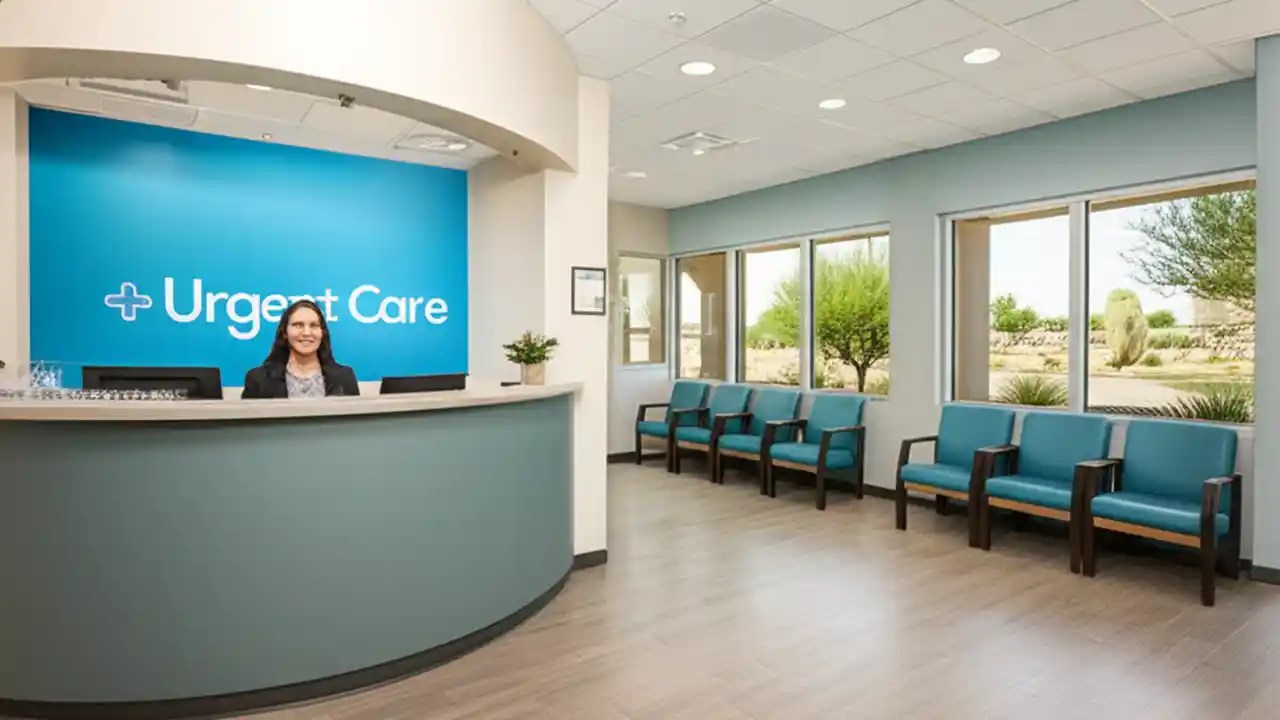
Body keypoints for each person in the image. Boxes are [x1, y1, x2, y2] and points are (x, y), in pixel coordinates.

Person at [241, 299, 359, 399]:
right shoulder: (258, 379)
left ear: (322, 333)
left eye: (314, 325)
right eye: (298, 325)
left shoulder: (344, 377)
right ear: (285, 333)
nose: (307, 333)